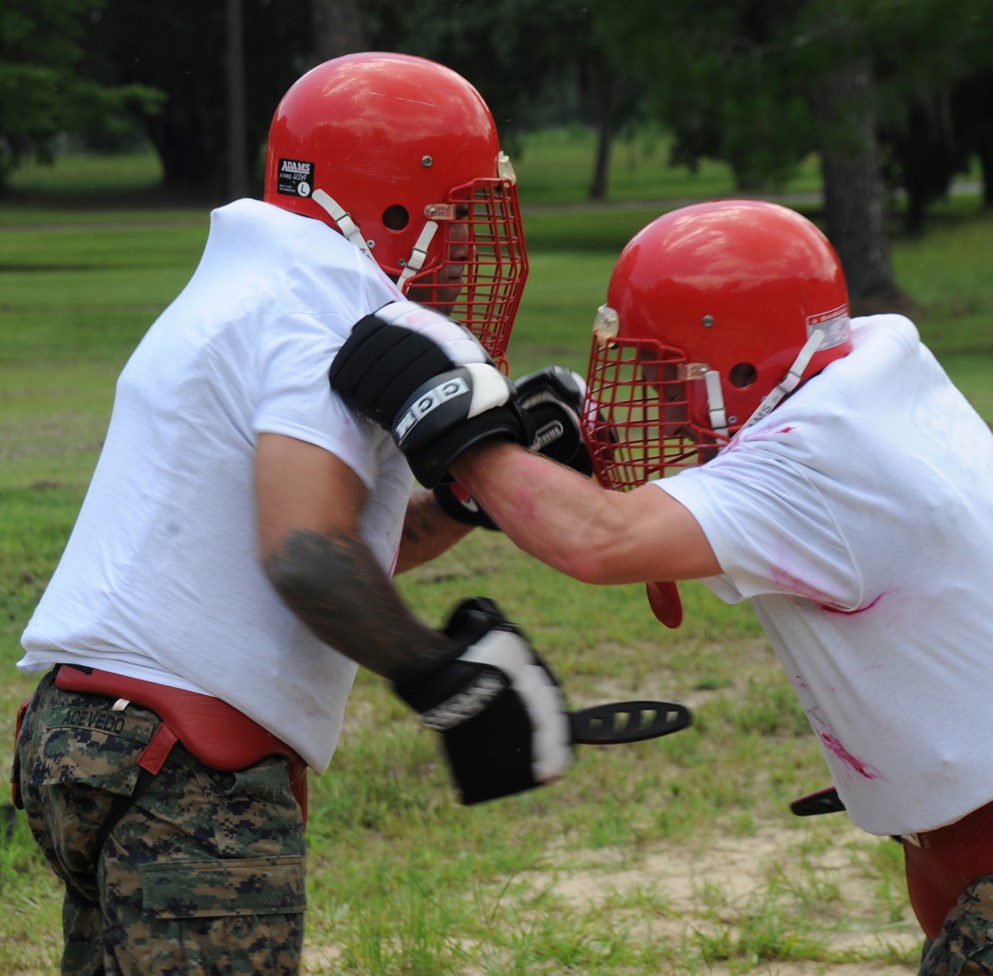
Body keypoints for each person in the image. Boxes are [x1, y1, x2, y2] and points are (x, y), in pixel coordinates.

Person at [329, 198, 993, 976]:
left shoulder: (825, 463)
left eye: (667, 377)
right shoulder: (867, 365)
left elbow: (599, 541)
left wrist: (463, 430)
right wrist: (477, 494)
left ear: (742, 368)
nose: (651, 406)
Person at [11, 52, 578, 976]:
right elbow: (308, 556)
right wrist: (443, 679)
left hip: (79, 737)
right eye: (459, 218)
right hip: (184, 766)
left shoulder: (252, 283)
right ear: (394, 208)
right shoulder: (325, 302)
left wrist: (467, 505)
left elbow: (337, 535)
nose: (473, 249)